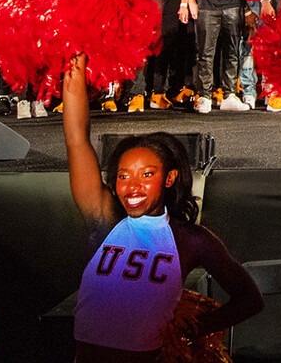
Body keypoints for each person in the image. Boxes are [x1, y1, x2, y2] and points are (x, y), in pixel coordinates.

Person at [60, 57, 262, 359]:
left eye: (147, 175)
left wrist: (189, 328)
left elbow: (249, 300)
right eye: (123, 176)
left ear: (169, 178)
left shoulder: (190, 239)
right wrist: (75, 57)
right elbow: (76, 139)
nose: (133, 186)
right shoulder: (105, 219)